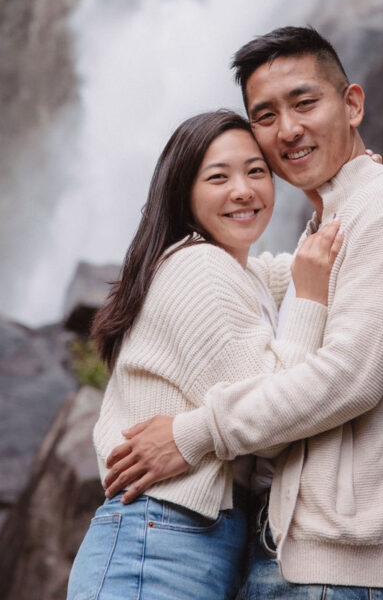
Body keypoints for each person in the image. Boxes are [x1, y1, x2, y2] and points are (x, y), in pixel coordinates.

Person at [103, 26, 383, 600]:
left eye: (305, 103)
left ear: (352, 105)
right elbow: (268, 276)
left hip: (342, 572)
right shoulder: (336, 223)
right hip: (289, 557)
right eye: (264, 115)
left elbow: (348, 379)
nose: (287, 129)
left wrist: (193, 433)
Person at [67, 109, 343, 600]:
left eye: (256, 171)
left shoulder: (242, 274)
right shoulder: (199, 269)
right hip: (159, 541)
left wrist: (345, 188)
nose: (243, 190)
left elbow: (300, 265)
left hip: (181, 538)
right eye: (218, 177)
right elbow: (278, 418)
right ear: (184, 193)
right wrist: (313, 299)